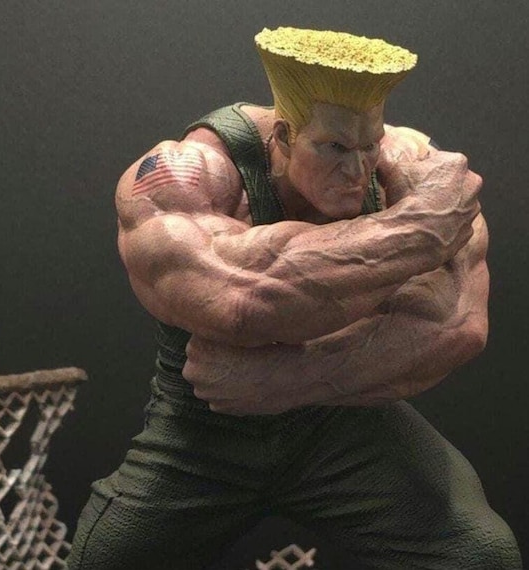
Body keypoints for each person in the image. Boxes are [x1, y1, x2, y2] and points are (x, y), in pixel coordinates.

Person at [68, 27, 522, 569]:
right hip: (204, 429)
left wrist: (288, 379)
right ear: (284, 136)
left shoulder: (412, 163)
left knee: (481, 554)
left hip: (342, 420)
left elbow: (458, 325)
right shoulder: (188, 172)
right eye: (333, 148)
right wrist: (423, 228)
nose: (356, 169)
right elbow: (243, 301)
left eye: (368, 146)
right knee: (104, 562)